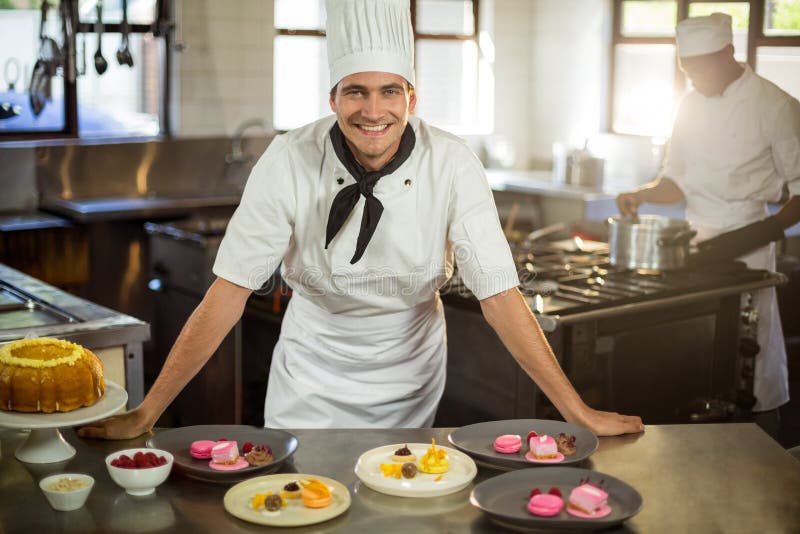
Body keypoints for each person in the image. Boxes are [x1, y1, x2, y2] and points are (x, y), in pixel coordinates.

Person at [79, 0, 643, 439]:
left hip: (410, 375)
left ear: (412, 98)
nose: (373, 111)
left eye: (389, 92)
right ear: (333, 97)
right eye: (356, 92)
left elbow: (499, 295)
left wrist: (578, 411)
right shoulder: (289, 159)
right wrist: (149, 410)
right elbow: (227, 294)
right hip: (310, 373)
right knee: (300, 503)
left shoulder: (452, 164)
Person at [617, 13, 800, 434]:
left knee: (750, 359)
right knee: (697, 354)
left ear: (729, 53)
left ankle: (764, 444)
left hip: (750, 248)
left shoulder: (776, 105)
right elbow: (676, 182)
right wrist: (642, 194)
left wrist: (763, 233)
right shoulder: (689, 104)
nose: (695, 78)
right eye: (687, 69)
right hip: (694, 245)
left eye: (702, 67)